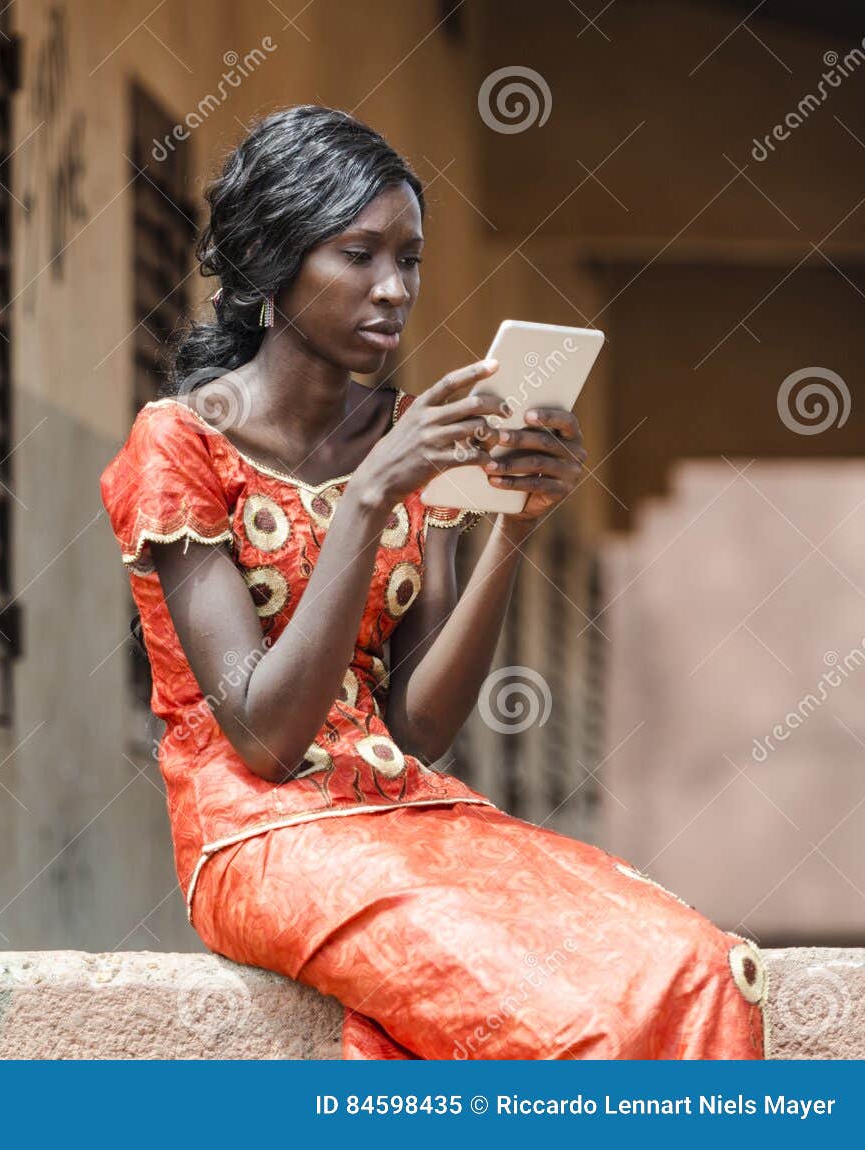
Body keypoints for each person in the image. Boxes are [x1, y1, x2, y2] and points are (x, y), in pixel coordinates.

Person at [99, 105, 767, 1059]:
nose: (394, 288)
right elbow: (267, 737)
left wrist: (511, 531)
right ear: (268, 264)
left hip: (406, 810)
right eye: (358, 255)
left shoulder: (416, 434)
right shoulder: (182, 442)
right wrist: (371, 495)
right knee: (558, 1027)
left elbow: (416, 725)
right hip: (256, 839)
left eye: (408, 258)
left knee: (697, 968)